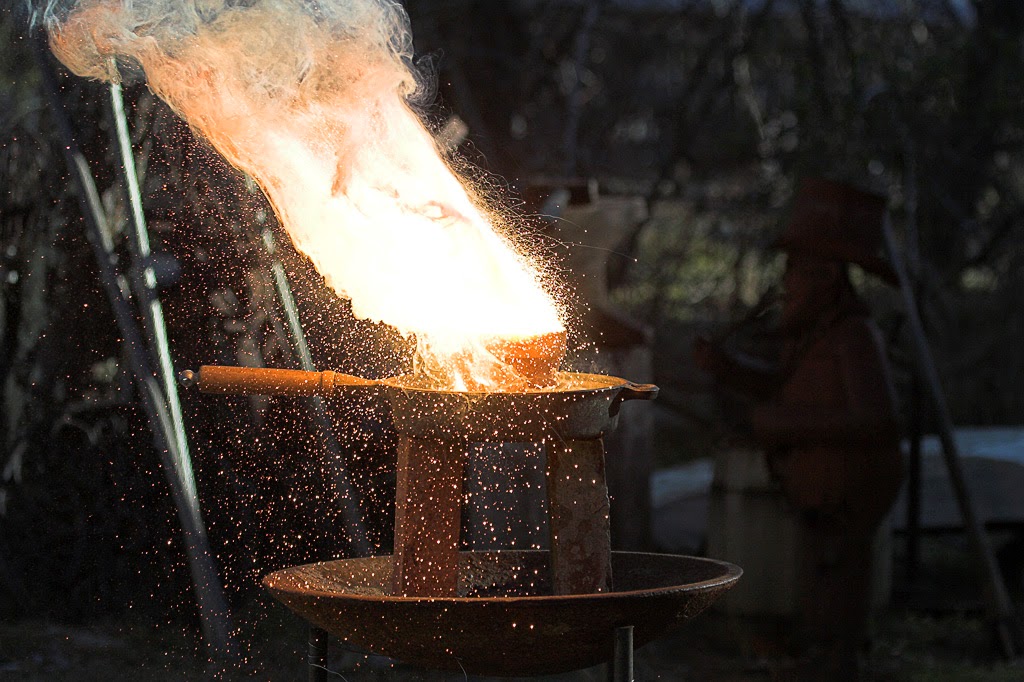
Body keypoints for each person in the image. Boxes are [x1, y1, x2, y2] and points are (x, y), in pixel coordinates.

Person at [694, 178, 904, 680]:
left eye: (797, 269)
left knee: (842, 571)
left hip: (853, 484)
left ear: (827, 277)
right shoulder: (814, 333)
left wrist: (783, 423)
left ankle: (838, 660)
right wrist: (728, 369)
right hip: (823, 487)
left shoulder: (853, 336)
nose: (786, 282)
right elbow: (783, 385)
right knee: (821, 571)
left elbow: (878, 419)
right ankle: (818, 656)